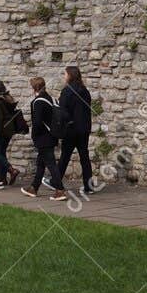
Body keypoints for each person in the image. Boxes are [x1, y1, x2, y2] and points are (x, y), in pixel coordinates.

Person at [21, 76, 68, 202]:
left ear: (34, 88)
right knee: (41, 163)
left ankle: (60, 190)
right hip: (51, 135)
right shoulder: (50, 98)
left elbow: (37, 123)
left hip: (43, 137)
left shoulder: (38, 101)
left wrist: (34, 136)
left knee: (51, 164)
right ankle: (34, 188)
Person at [54, 65, 98, 196]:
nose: (64, 76)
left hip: (72, 129)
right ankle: (88, 186)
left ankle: (55, 182)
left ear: (70, 75)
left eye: (65, 74)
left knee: (65, 157)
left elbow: (63, 111)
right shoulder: (84, 90)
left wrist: (67, 121)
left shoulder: (67, 91)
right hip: (84, 129)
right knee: (84, 157)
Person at [0, 79, 23, 187]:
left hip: (2, 131)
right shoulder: (7, 98)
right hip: (9, 130)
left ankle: (12, 170)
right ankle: (3, 179)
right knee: (2, 153)